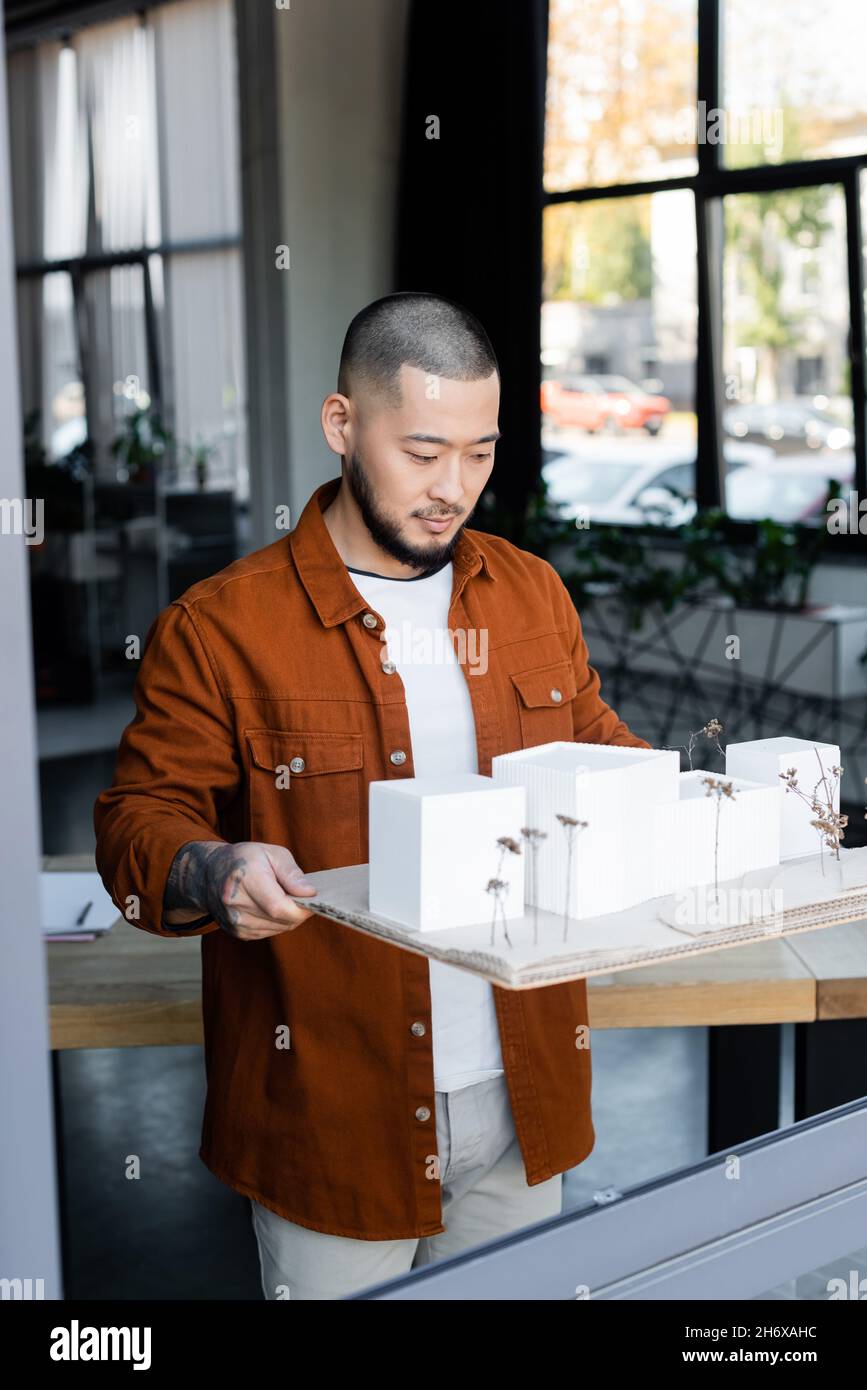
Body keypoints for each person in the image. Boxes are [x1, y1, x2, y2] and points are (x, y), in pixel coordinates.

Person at [94, 291, 650, 1300]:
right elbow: (138, 822)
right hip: (334, 1121)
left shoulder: (530, 595)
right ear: (342, 425)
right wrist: (216, 869)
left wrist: (720, 803)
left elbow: (604, 753)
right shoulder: (222, 628)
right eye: (424, 451)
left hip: (529, 1101)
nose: (455, 488)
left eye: (480, 453)